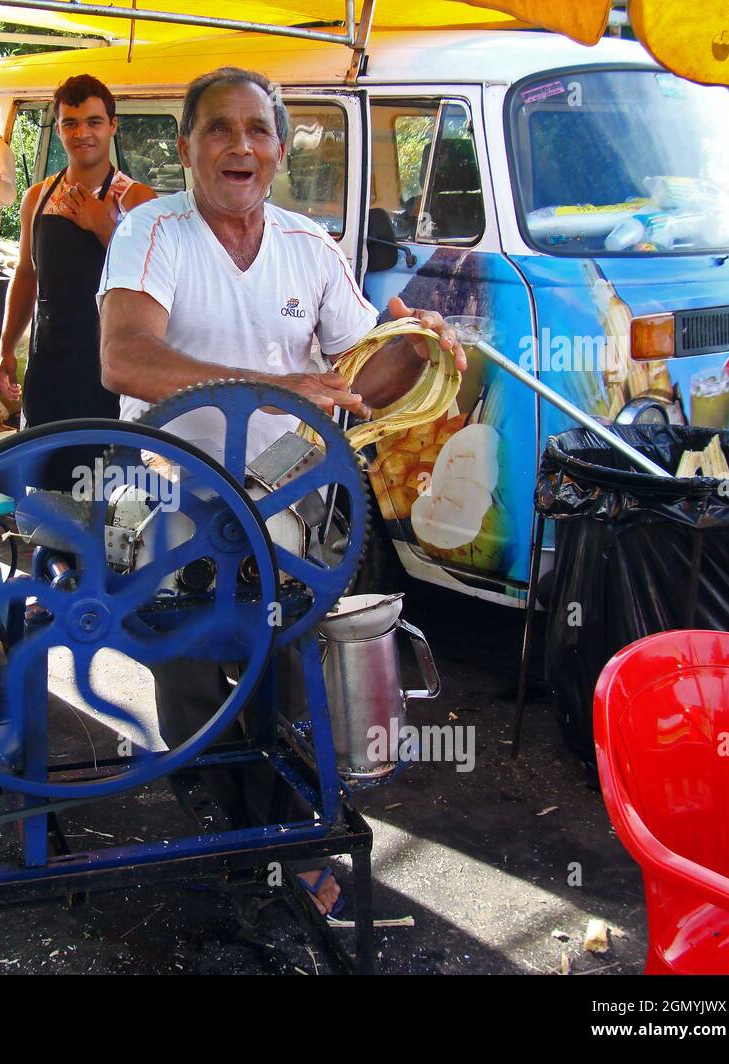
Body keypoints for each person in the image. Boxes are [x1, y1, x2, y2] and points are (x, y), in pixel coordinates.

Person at [98, 67, 466, 914]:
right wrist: (273, 385)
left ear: (280, 147)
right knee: (195, 668)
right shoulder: (151, 234)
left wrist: (420, 343)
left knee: (283, 668)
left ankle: (273, 840)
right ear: (186, 147)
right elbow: (126, 358)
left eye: (257, 130)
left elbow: (361, 378)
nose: (240, 146)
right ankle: (241, 845)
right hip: (172, 495)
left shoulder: (308, 245)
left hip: (286, 499)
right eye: (218, 130)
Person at [0, 75, 155, 447]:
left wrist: (105, 228)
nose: (82, 133)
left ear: (112, 127)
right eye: (71, 123)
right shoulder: (38, 197)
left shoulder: (136, 200)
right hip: (49, 361)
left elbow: (154, 279)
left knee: (105, 479)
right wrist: (6, 348)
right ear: (60, 128)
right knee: (42, 474)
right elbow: (25, 276)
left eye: (94, 122)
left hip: (110, 364)